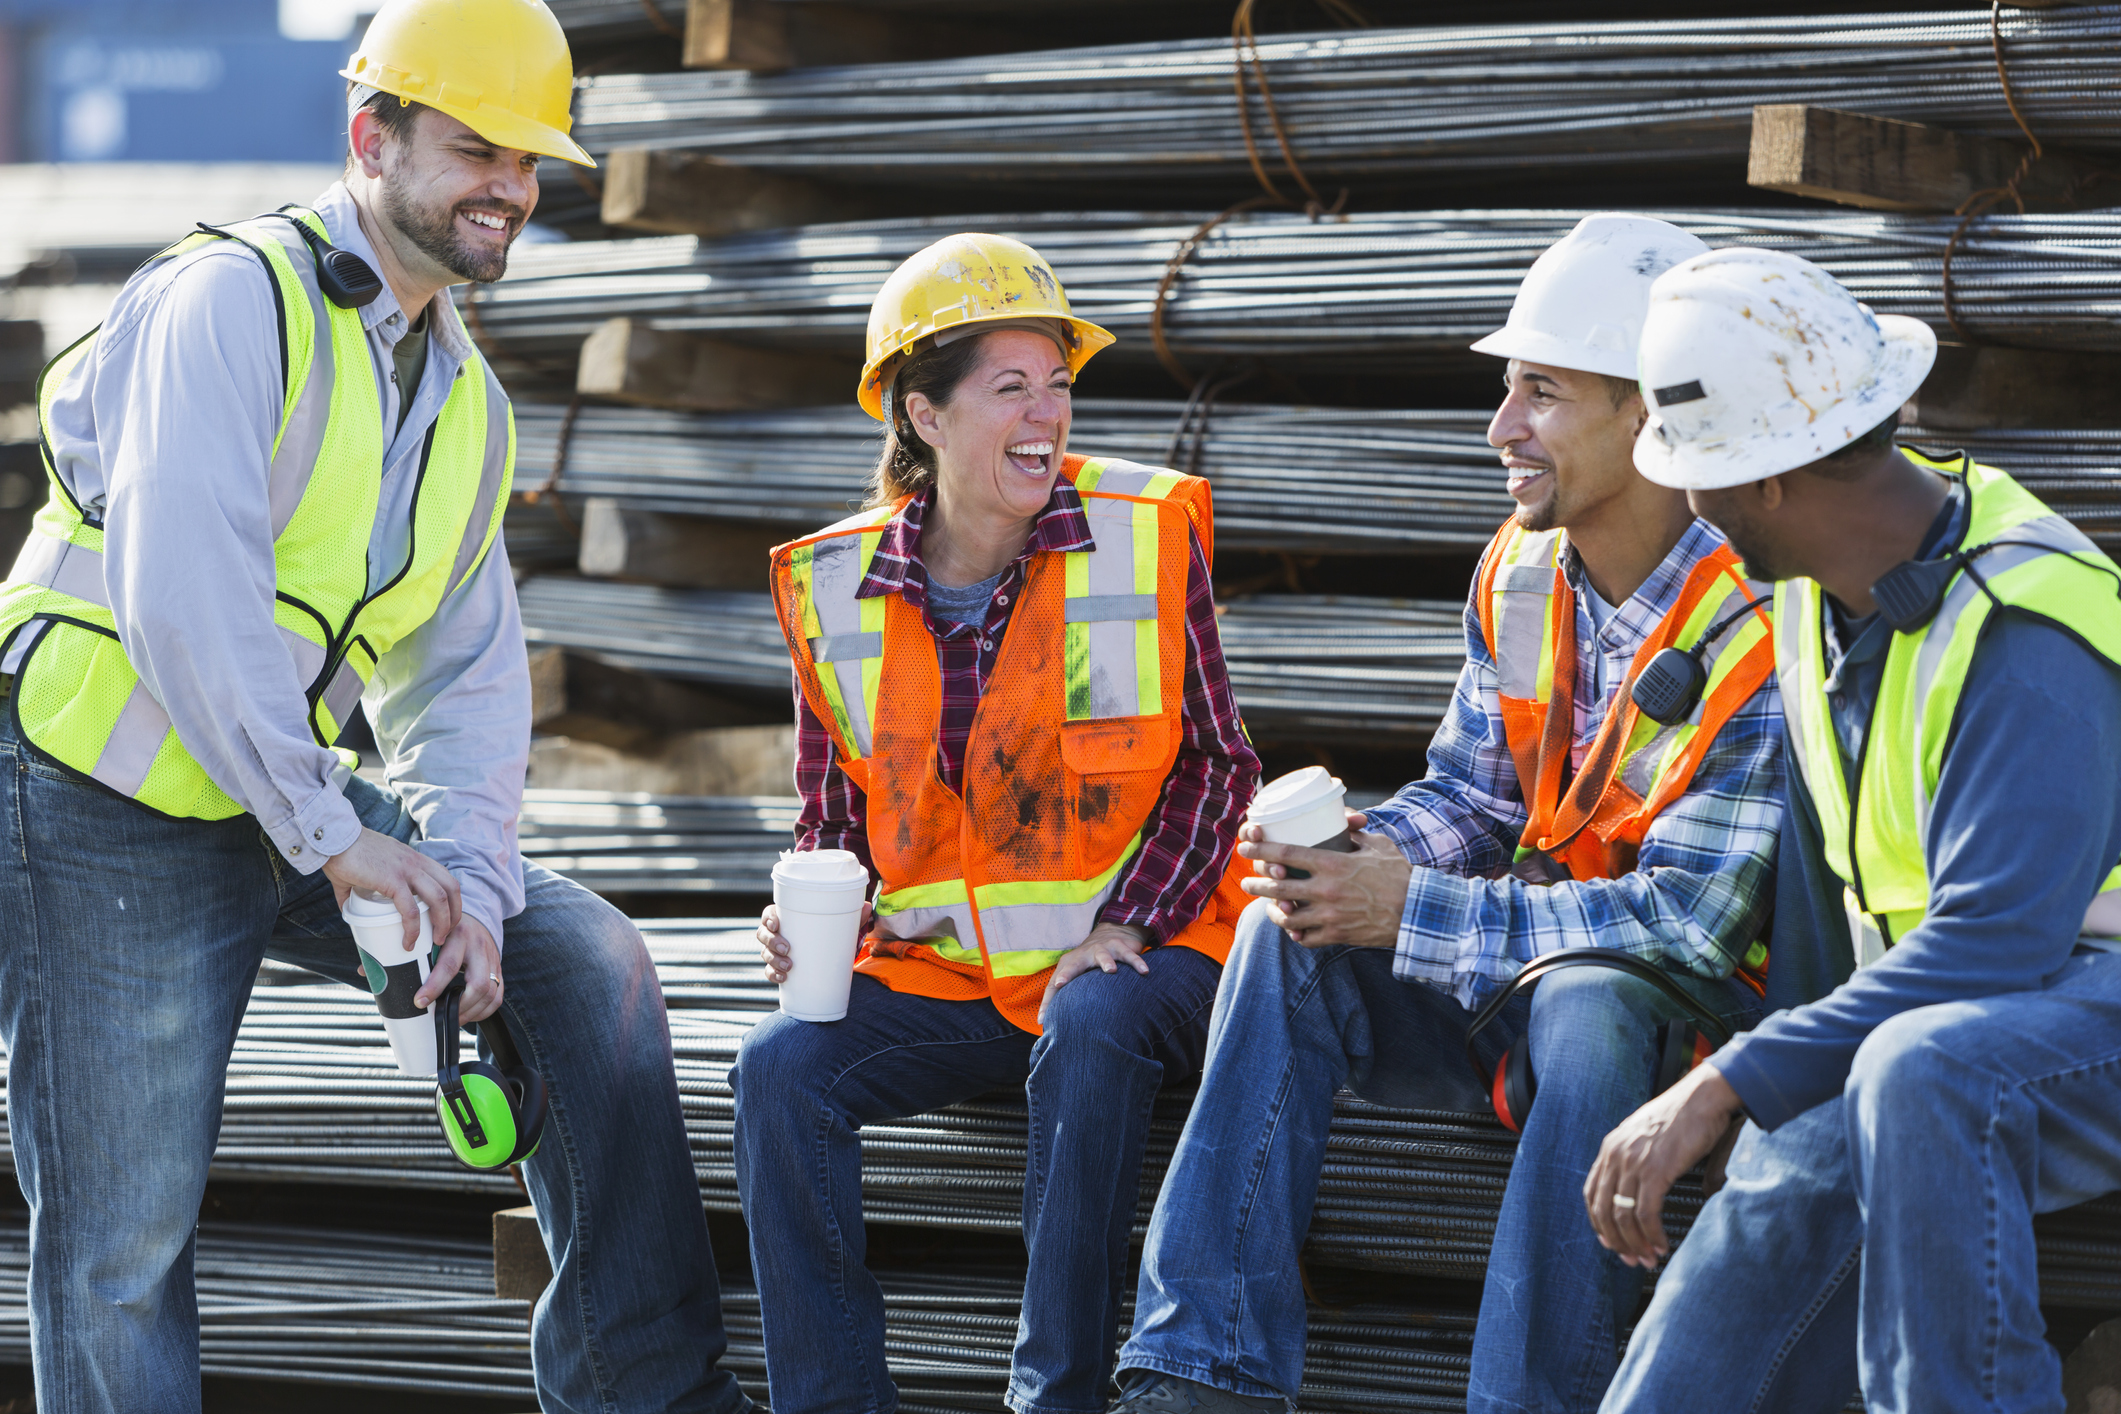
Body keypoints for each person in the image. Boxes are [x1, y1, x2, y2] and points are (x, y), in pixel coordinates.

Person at [0, 3, 750, 1410]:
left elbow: (463, 678)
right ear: (371, 139)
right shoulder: (230, 301)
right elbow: (187, 599)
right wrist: (335, 837)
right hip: (102, 791)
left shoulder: (465, 398)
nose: (511, 188)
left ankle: (646, 1392)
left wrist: (468, 885)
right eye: (477, 150)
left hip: (271, 791)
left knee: (581, 962)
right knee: (122, 1241)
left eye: (528, 161)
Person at [1108, 215, 1792, 1414]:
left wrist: (1411, 907)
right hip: (1521, 963)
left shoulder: (1761, 619)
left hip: (1696, 1032)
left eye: (1543, 393)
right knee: (1283, 930)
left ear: (1647, 415)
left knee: (1588, 1003)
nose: (1500, 429)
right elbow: (1474, 796)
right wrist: (1358, 864)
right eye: (1508, 388)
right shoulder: (1522, 573)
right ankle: (1199, 1377)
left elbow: (1688, 927)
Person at [1589, 249, 2121, 1413]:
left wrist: (1729, 1082)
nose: (1689, 503)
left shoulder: (2025, 625)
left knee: (1916, 1069)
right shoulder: (1813, 597)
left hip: (2052, 1006)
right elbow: (1845, 915)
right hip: (1933, 1020)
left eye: (1700, 475)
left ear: (1771, 480)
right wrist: (1768, 1084)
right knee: (1801, 1152)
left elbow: (1997, 944)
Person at [736, 232, 1259, 1414]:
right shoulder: (836, 588)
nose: (1047, 415)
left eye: (1058, 383)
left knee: (1091, 1016)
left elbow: (1219, 768)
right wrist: (809, 911)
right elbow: (834, 817)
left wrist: (1129, 923)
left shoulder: (1141, 536)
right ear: (923, 414)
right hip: (955, 977)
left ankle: (1053, 1398)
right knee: (778, 1070)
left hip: (1148, 955)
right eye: (1011, 387)